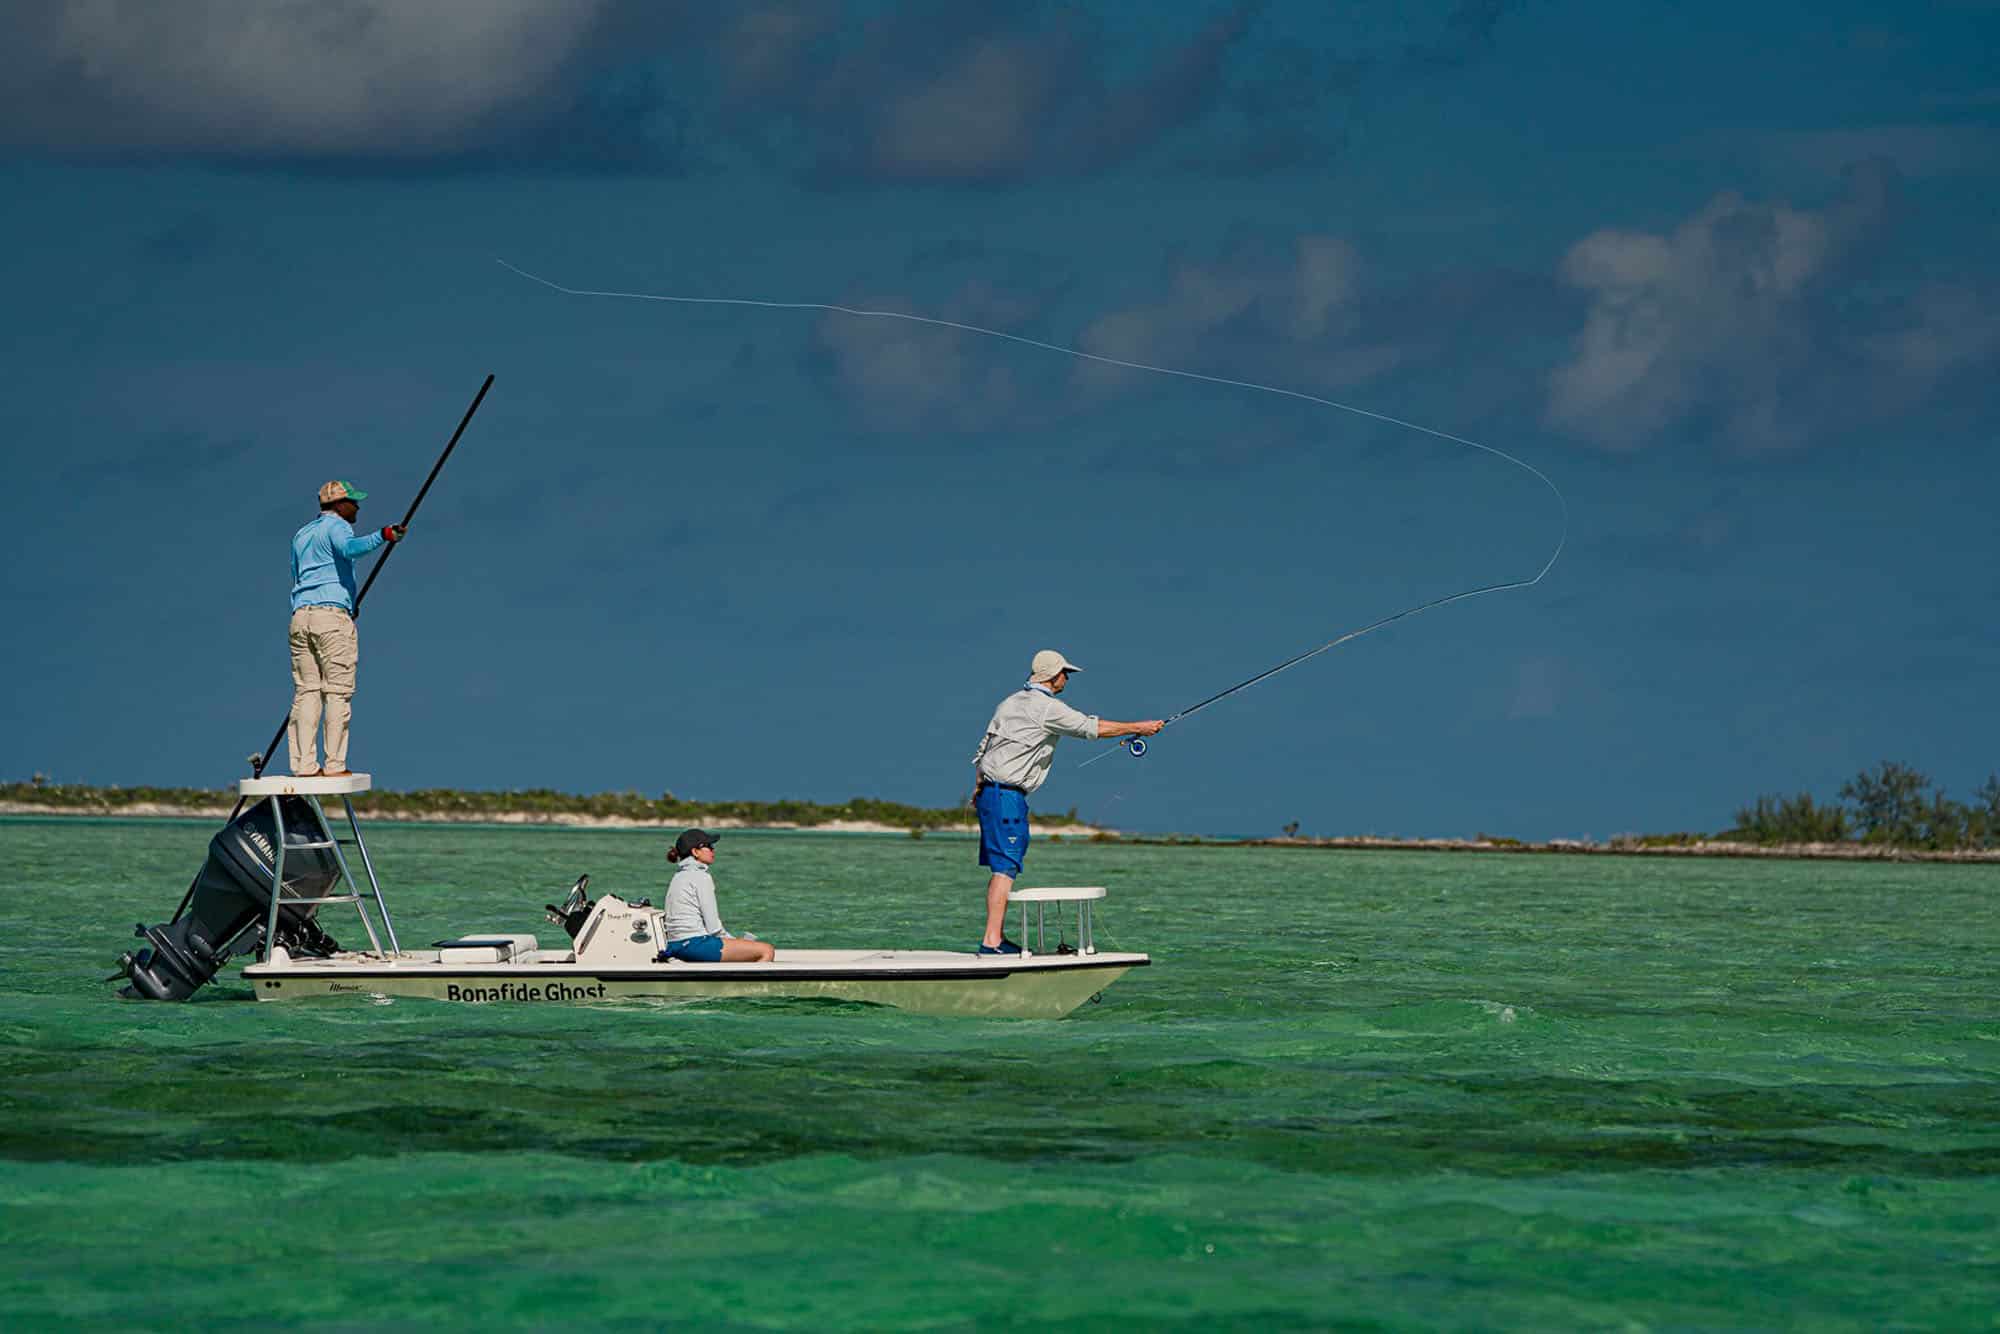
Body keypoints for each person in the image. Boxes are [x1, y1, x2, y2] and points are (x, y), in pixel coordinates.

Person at [969, 649, 1162, 954]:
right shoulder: (1046, 708)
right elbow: (1091, 727)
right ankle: (991, 941)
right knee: (1005, 869)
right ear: (1053, 675)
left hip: (991, 794)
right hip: (1006, 797)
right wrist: (1139, 727)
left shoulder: (1010, 702)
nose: (1067, 679)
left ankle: (994, 938)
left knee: (1001, 867)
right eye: (1065, 673)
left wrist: (979, 783)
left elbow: (986, 745)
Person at [287, 480, 404, 777]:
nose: (358, 507)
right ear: (339, 505)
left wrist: (346, 601)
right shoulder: (337, 527)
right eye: (353, 501)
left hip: (300, 617)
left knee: (307, 691)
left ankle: (304, 765)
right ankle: (335, 765)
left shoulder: (303, 533)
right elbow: (350, 549)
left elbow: (298, 575)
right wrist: (384, 535)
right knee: (337, 692)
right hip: (330, 618)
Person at [658, 829, 776, 963]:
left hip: (675, 945)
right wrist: (736, 942)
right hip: (694, 944)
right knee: (766, 950)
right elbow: (714, 928)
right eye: (709, 846)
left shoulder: (678, 876)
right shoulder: (701, 877)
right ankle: (746, 985)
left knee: (745, 948)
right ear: (695, 852)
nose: (713, 850)